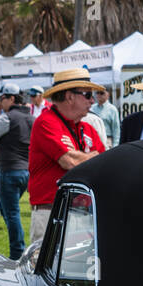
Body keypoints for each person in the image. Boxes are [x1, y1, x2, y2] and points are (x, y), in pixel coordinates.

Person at [28, 68, 106, 247]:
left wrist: (86, 158)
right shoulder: (46, 122)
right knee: (48, 264)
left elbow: (105, 164)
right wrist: (93, 156)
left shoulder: (86, 128)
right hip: (51, 213)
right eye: (88, 95)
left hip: (82, 214)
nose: (92, 100)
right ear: (70, 96)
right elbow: (70, 161)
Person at [0, 82, 36, 260]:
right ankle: (19, 248)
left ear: (11, 99)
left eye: (2, 98)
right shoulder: (32, 118)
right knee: (6, 209)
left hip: (10, 170)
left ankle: (17, 253)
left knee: (11, 213)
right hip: (26, 171)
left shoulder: (6, 118)